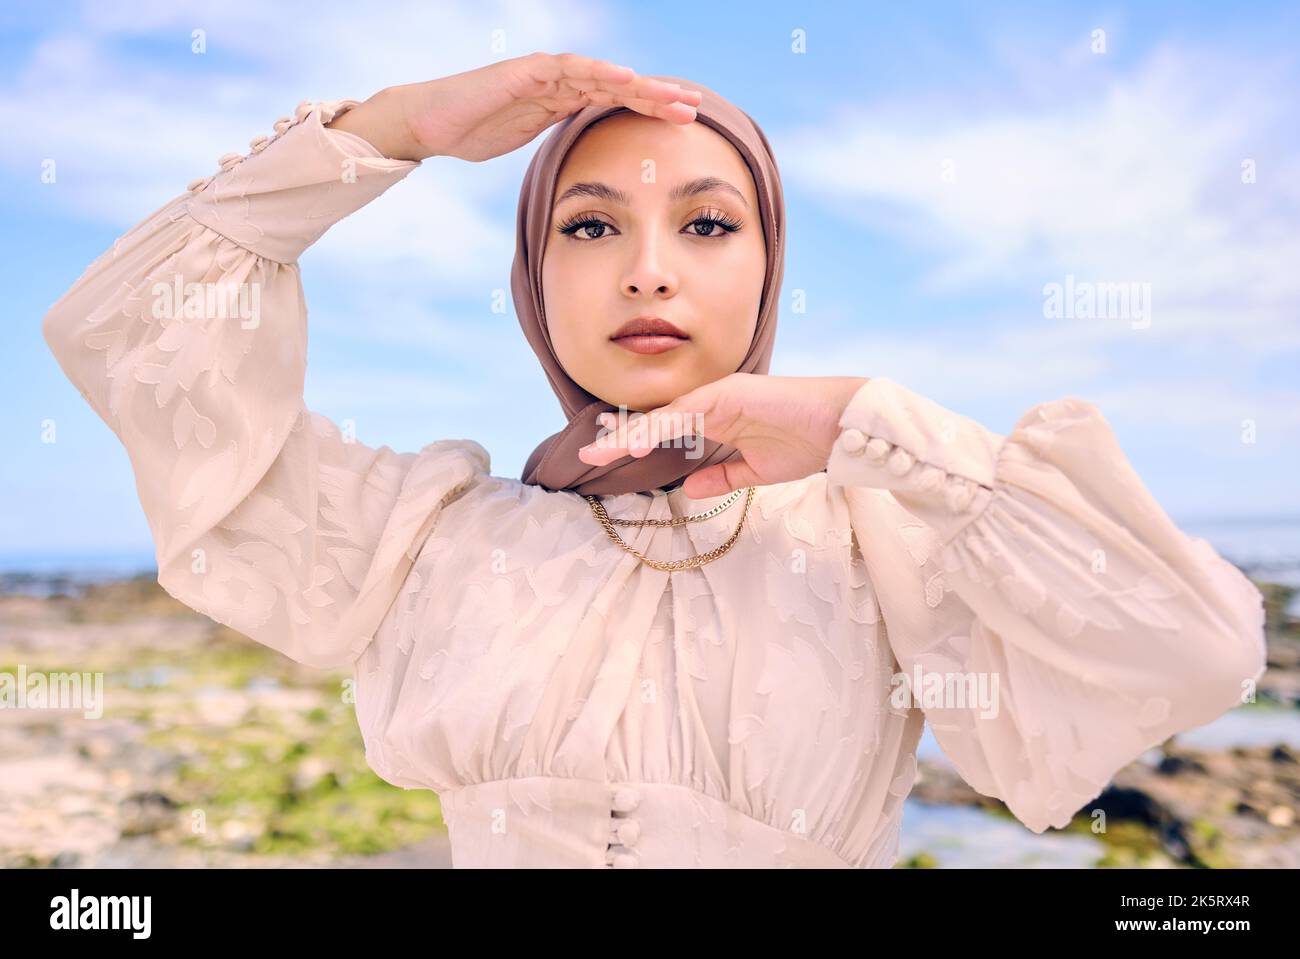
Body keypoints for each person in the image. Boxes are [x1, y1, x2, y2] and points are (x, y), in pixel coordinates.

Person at [42, 52, 1268, 868]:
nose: (647, 269)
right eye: (589, 224)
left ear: (766, 263)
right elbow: (135, 337)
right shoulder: (424, 535)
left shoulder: (880, 530)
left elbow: (1194, 645)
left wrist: (858, 420)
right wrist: (397, 127)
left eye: (705, 222)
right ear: (532, 275)